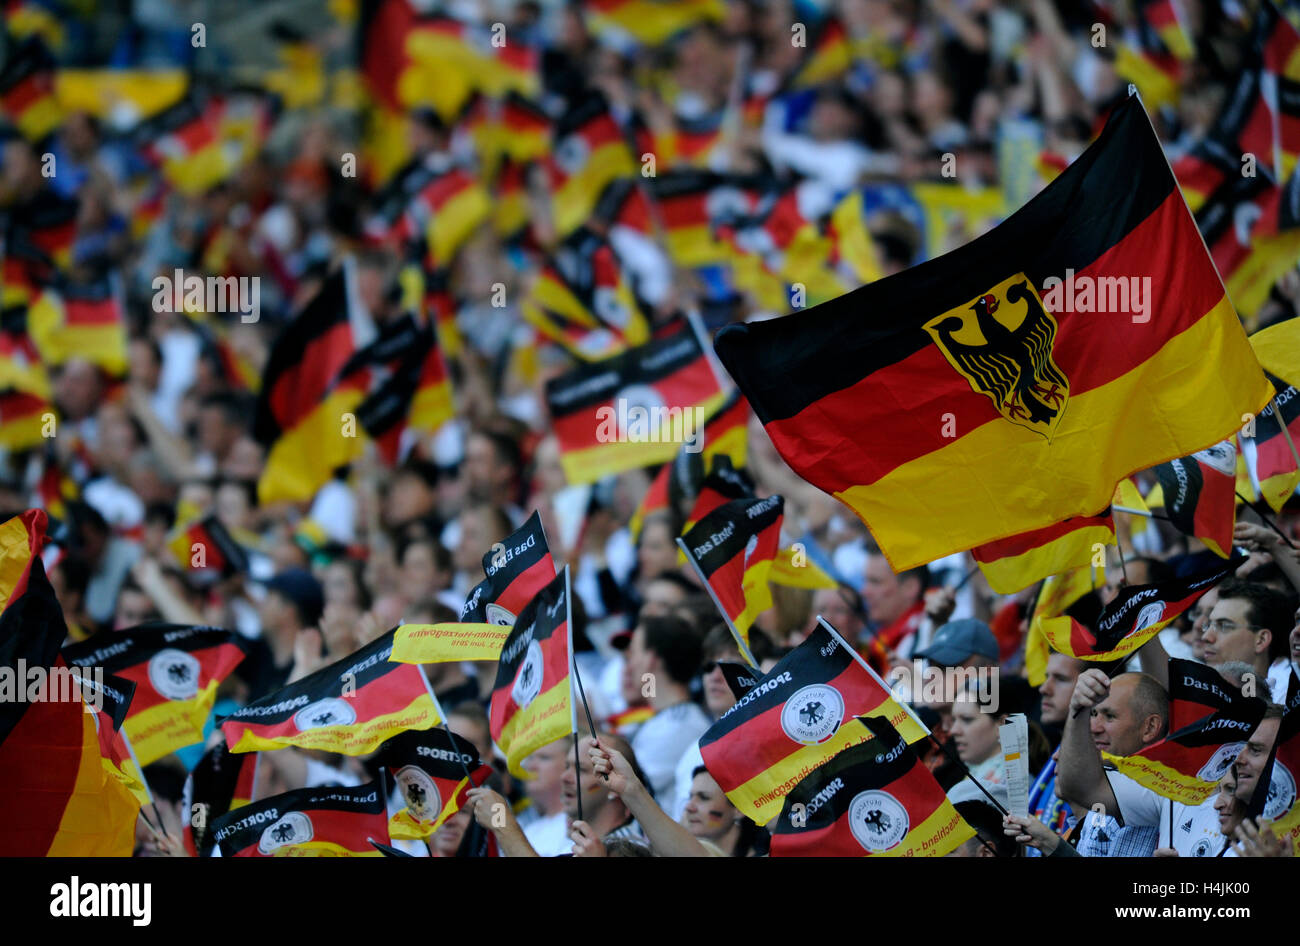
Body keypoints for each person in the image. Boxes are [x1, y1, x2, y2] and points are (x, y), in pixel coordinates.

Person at [1056, 669, 1168, 857]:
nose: (1094, 727)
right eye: (1092, 714)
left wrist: (1077, 708)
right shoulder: (1107, 778)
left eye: (1109, 716)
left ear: (1149, 728)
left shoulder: (1156, 789)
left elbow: (1077, 787)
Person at [623, 615, 712, 816]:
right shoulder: (668, 720)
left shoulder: (680, 725)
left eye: (634, 652)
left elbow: (620, 788)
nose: (629, 663)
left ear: (651, 660)